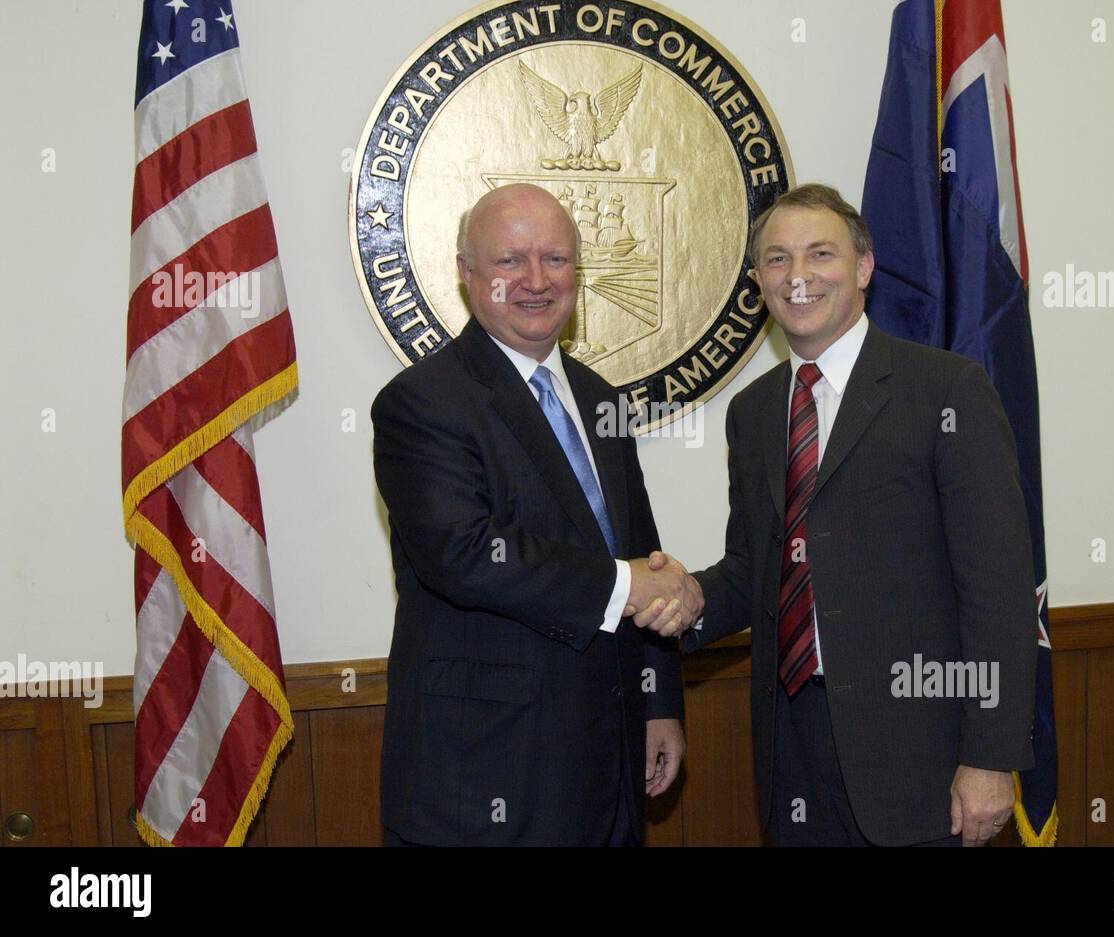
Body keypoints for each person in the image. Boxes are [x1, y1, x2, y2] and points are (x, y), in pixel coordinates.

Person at [649, 183, 1037, 846]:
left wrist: (992, 755)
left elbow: (998, 591)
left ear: (863, 269)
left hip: (920, 759)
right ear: (758, 280)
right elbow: (755, 568)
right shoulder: (753, 412)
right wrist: (685, 597)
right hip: (792, 747)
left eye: (819, 254)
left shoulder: (946, 390)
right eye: (776, 260)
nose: (797, 276)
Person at [371, 183, 700, 845]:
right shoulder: (421, 403)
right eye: (509, 261)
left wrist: (658, 700)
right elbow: (463, 553)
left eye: (555, 259)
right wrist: (631, 585)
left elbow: (641, 546)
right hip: (487, 774)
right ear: (467, 274)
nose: (536, 280)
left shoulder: (600, 397)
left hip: (608, 763)